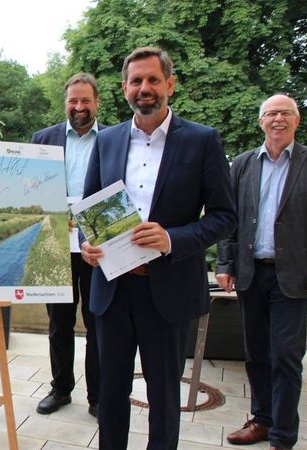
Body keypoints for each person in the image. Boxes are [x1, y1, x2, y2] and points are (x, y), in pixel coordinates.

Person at [80, 46, 236, 449]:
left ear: (170, 84)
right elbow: (87, 213)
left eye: (152, 79)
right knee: (110, 394)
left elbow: (224, 216)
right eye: (136, 81)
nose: (144, 88)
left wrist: (172, 239)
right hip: (113, 291)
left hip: (168, 291)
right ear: (124, 88)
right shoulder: (107, 140)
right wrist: (87, 245)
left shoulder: (202, 140)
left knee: (164, 397)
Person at [216, 94, 307, 450]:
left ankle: (283, 436)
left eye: (285, 113)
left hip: (294, 276)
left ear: (296, 120)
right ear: (261, 122)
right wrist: (224, 264)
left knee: (285, 356)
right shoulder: (241, 165)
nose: (278, 120)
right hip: (250, 273)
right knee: (255, 353)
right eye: (271, 114)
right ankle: (262, 420)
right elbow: (229, 222)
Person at [31, 73, 104, 418]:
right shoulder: (42, 139)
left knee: (97, 322)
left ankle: (98, 396)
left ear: (96, 103)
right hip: (56, 242)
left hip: (97, 245)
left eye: (85, 101)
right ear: (66, 103)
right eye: (73, 101)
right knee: (59, 322)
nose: (78, 107)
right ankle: (61, 388)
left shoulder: (113, 139)